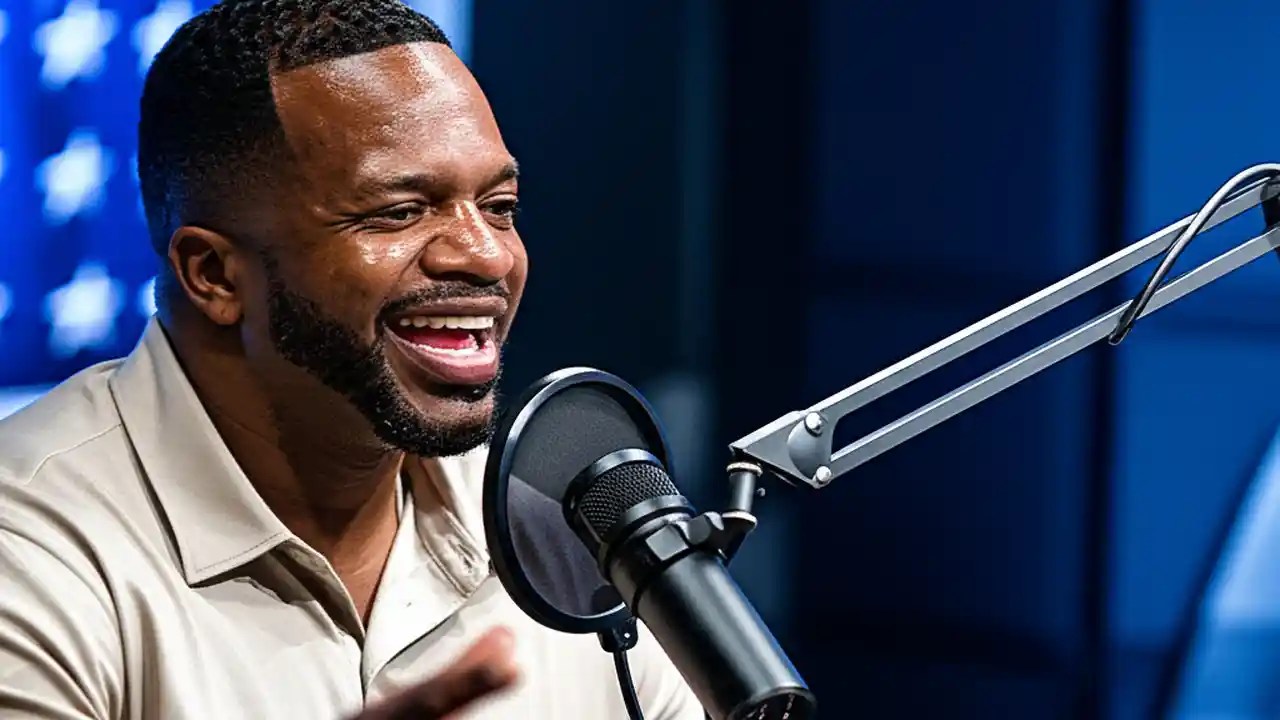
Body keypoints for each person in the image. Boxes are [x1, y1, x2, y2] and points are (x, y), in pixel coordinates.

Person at [0, 2, 703, 718]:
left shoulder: (557, 522)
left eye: (499, 205)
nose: (487, 255)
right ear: (213, 274)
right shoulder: (23, 547)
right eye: (399, 212)